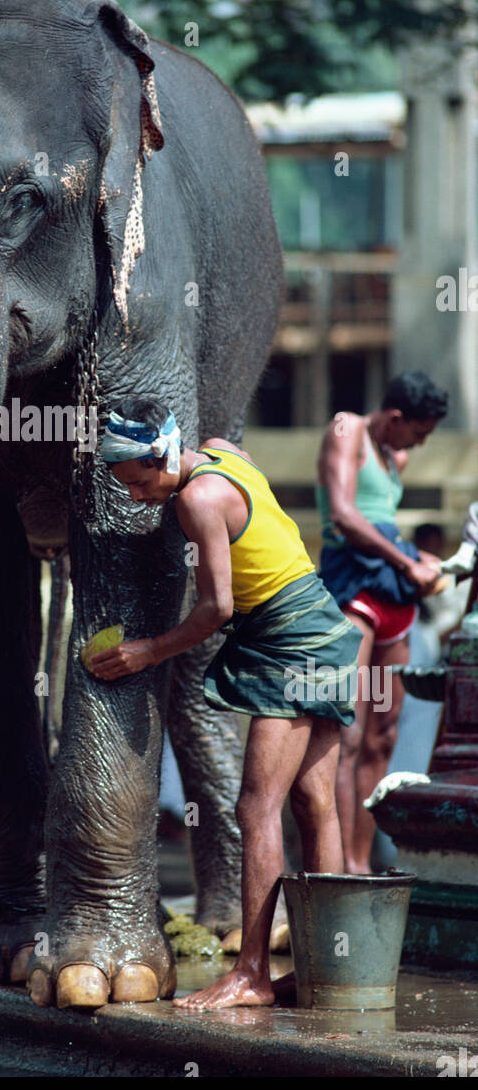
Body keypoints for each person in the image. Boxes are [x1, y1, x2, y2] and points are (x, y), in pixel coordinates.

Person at [86, 397, 362, 1010]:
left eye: (137, 481)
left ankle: (254, 973)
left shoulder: (195, 499)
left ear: (162, 456)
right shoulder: (223, 453)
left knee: (256, 806)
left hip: (289, 642)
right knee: (316, 803)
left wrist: (147, 652)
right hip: (323, 623)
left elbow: (217, 609)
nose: (134, 497)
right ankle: (329, 971)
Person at [315, 371, 448, 874]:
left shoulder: (398, 455)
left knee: (383, 733)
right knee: (346, 732)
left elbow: (381, 517)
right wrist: (409, 561)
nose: (421, 442)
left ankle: (362, 860)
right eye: (418, 431)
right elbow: (346, 516)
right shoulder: (347, 430)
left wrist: (420, 567)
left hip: (392, 587)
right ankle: (340, 863)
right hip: (355, 581)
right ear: (395, 418)